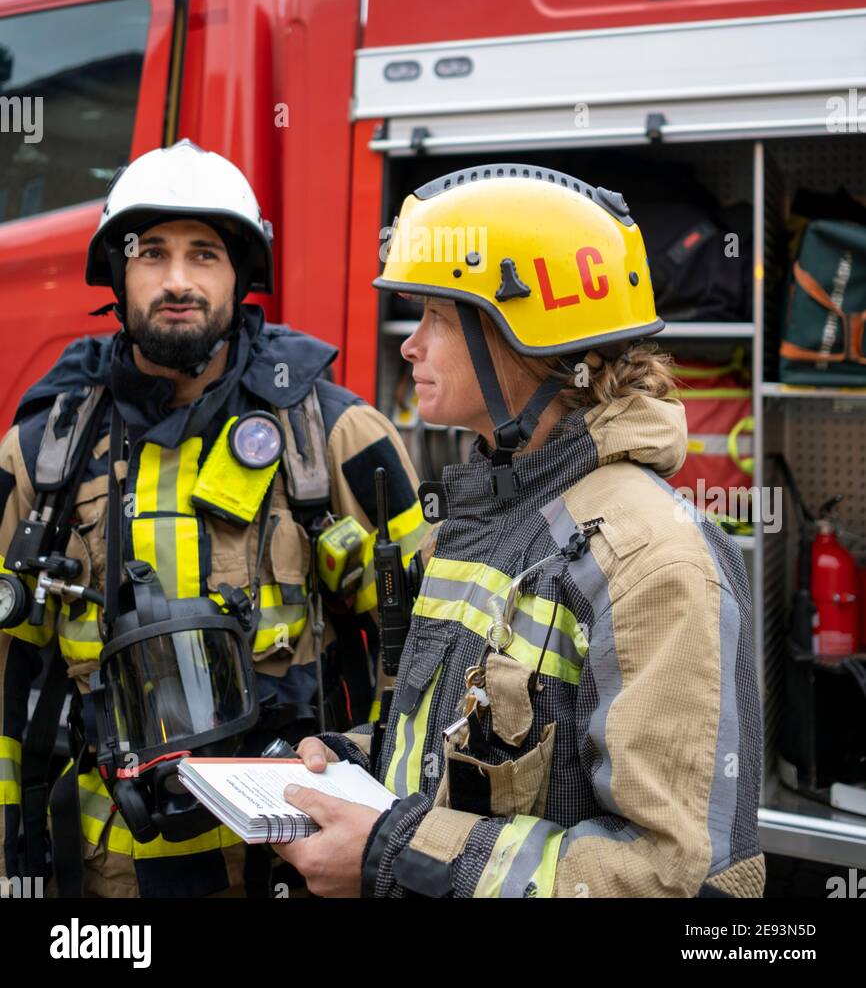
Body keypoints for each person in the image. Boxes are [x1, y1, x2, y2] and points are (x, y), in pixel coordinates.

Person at [276, 165, 767, 899]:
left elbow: (676, 882)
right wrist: (347, 768)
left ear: (528, 338)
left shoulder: (650, 560)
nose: (410, 348)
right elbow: (457, 757)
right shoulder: (486, 520)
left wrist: (392, 852)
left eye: (437, 319)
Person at [0, 140, 424, 898]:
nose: (177, 281)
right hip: (107, 884)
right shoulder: (43, 452)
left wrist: (383, 837)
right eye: (151, 253)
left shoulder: (335, 438)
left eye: (204, 255)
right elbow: (8, 685)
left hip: (290, 869)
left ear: (241, 277)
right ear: (115, 273)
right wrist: (15, 866)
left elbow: (429, 653)